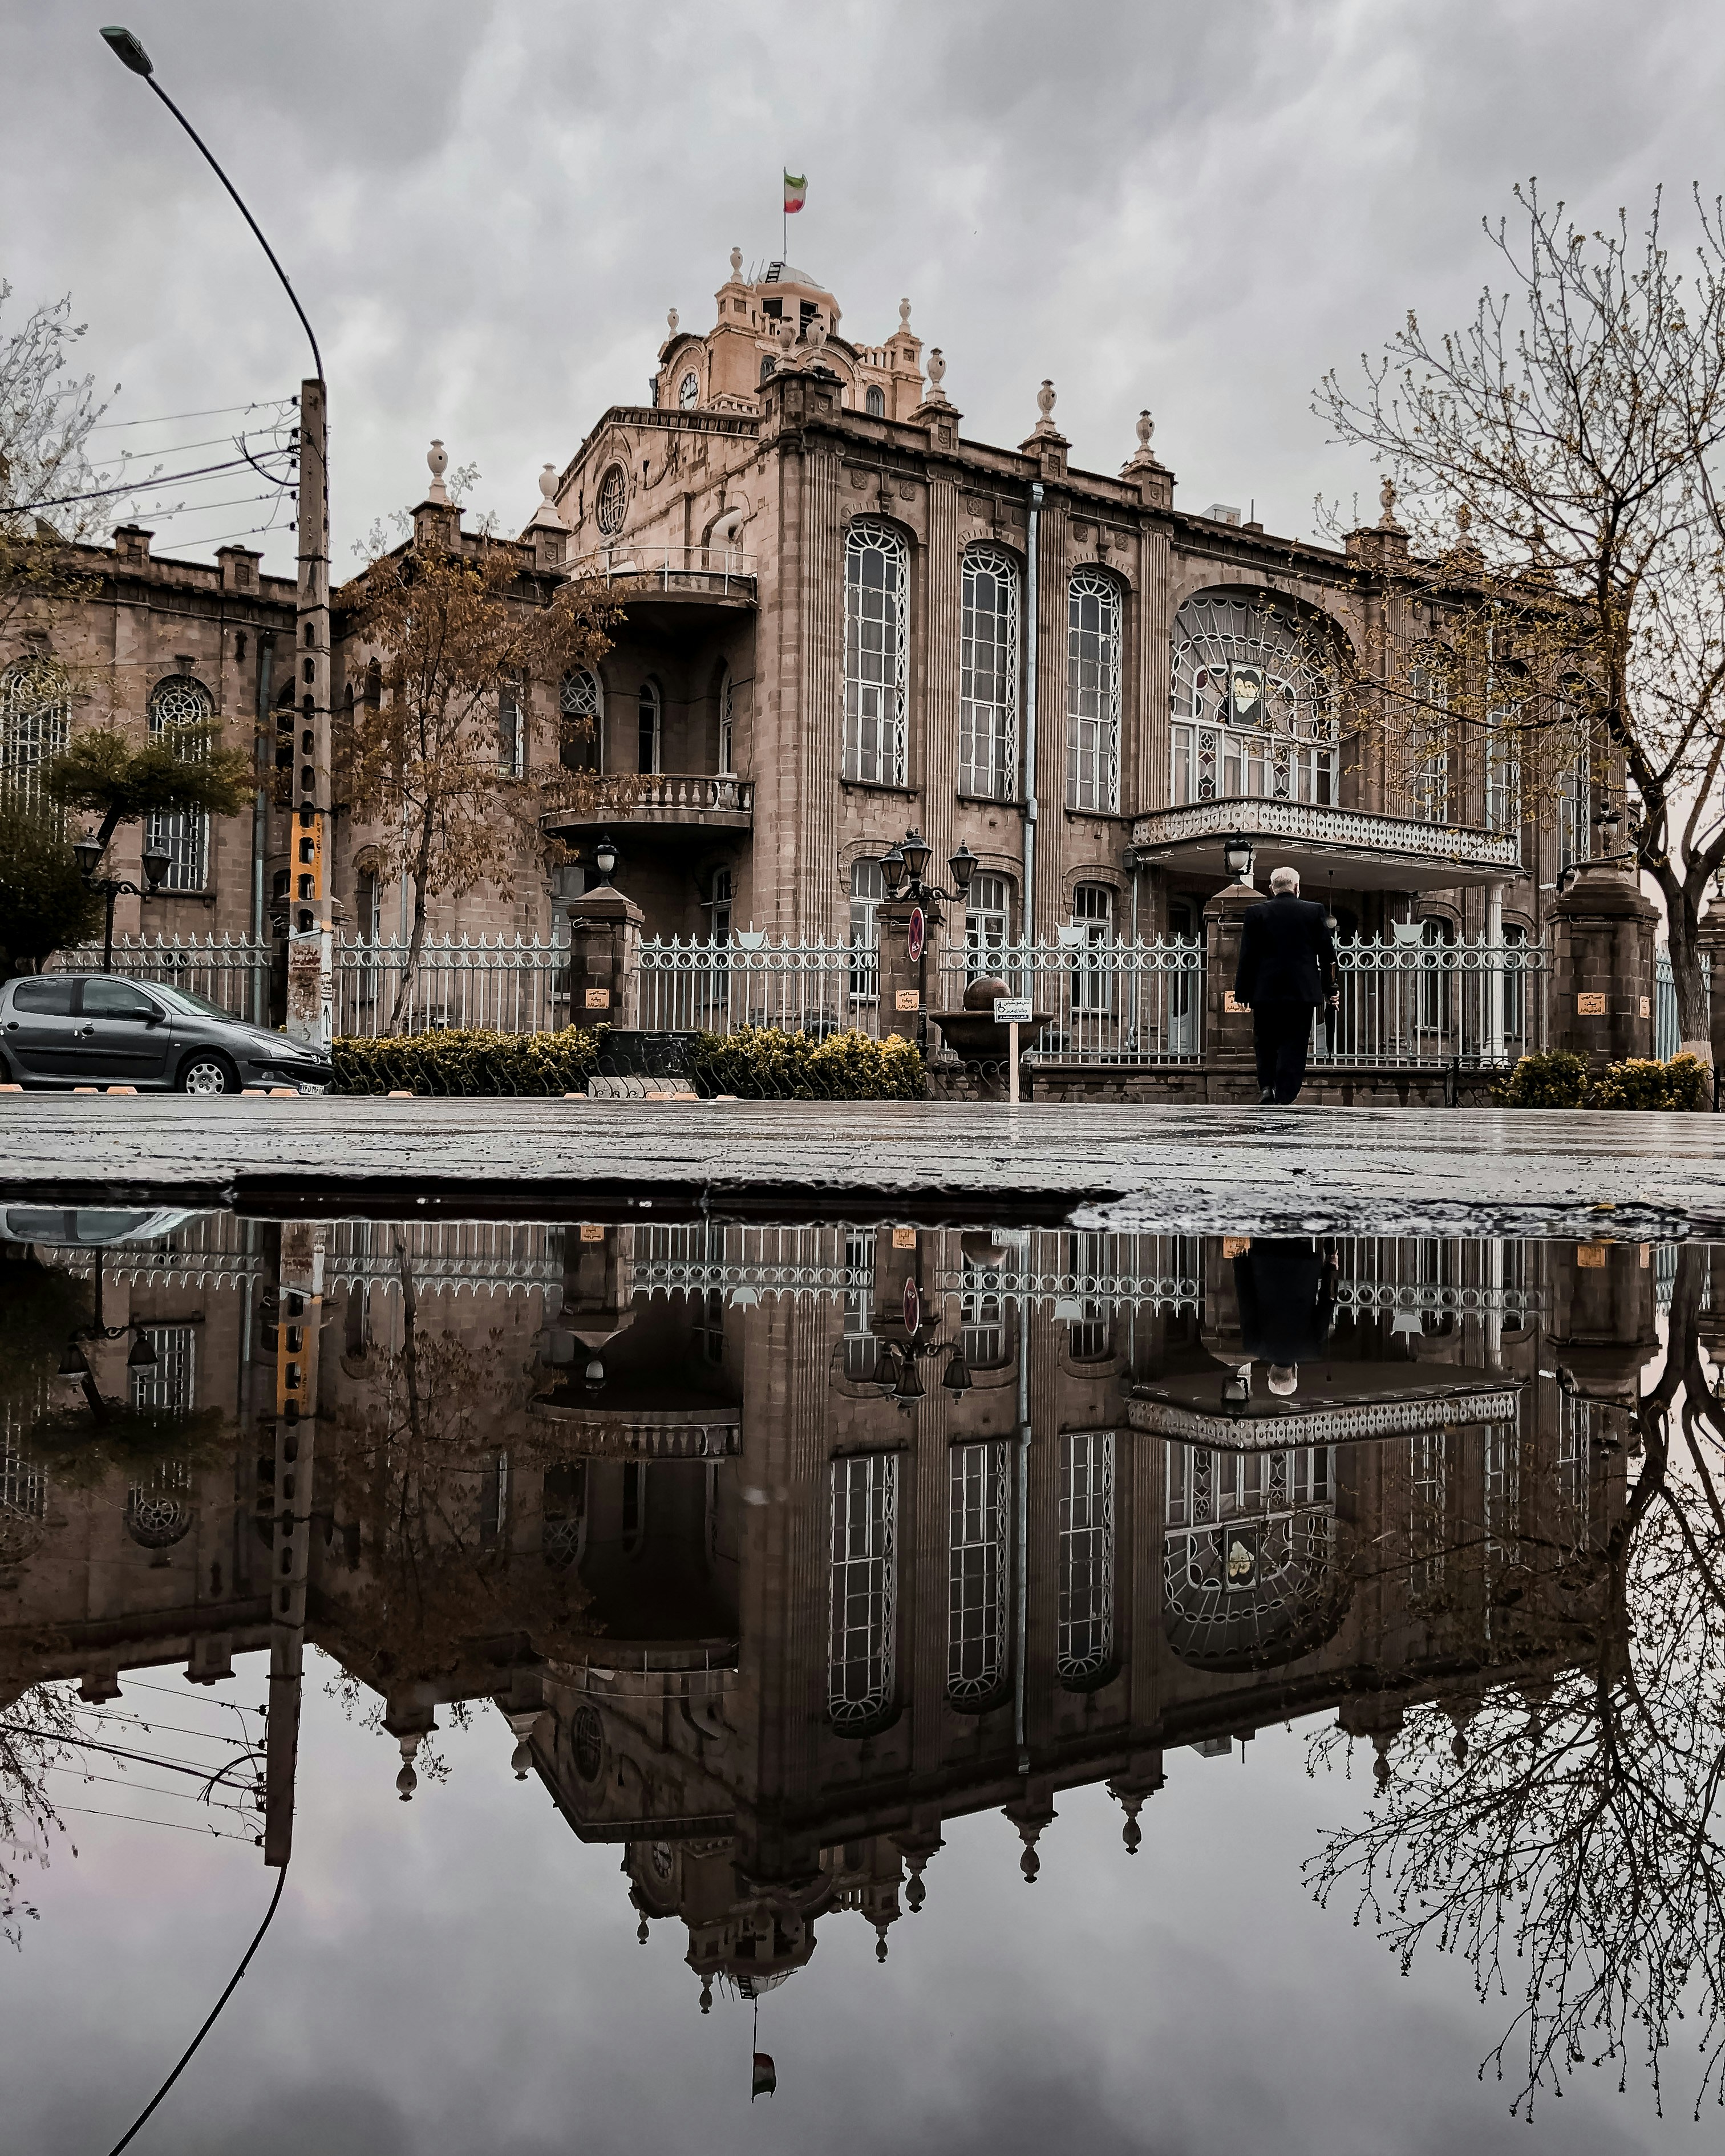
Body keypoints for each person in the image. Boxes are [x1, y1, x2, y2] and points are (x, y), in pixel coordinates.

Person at [1232, 865, 1338, 1105]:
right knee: (1295, 1042)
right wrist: (1330, 989)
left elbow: (1247, 956)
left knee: (1266, 1041)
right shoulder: (1314, 911)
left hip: (1265, 992)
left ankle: (1267, 1087)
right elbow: (1327, 955)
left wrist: (1244, 993)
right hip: (1301, 993)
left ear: (1271, 889)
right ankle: (1287, 1093)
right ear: (1297, 888)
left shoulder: (1256, 913)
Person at [1231, 1236, 1338, 1397]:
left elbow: (1327, 1303)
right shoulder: (1254, 1346)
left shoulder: (1311, 1350)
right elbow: (1246, 1300)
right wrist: (1240, 1264)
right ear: (1269, 1372)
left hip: (1302, 1264)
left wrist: (1331, 1266)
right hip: (1265, 1263)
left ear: (1295, 1372)